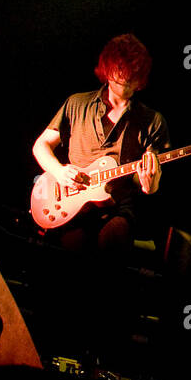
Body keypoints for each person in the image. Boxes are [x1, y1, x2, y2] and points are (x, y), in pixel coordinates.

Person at [32, 34, 169, 254]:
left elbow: (144, 180)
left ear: (140, 79)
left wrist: (149, 185)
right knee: (71, 252)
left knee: (112, 244)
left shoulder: (152, 121)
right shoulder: (77, 103)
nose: (122, 78)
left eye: (129, 75)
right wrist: (59, 172)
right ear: (107, 69)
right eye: (117, 72)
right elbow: (41, 145)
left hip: (118, 207)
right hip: (71, 203)